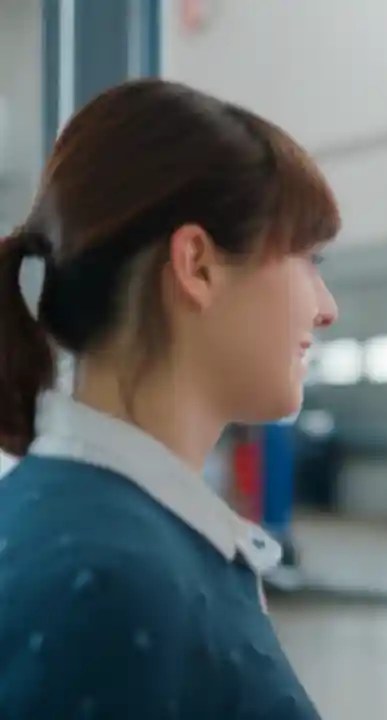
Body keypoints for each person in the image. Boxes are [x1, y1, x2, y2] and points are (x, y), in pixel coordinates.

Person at [0, 79, 339, 718]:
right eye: (307, 258)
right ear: (198, 266)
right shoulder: (115, 581)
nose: (327, 308)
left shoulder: (112, 534)